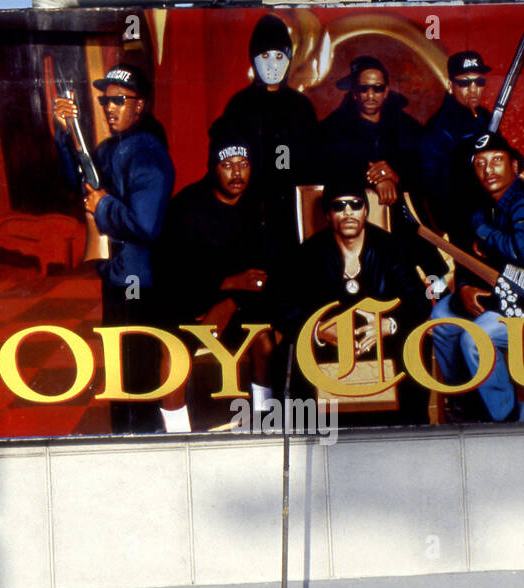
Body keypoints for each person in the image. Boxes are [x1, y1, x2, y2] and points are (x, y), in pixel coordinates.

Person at [54, 64, 175, 434]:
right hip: (117, 277)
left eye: (120, 100)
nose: (110, 107)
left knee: (137, 378)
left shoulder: (148, 152)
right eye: (106, 100)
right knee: (119, 374)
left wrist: (103, 205)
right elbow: (76, 180)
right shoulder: (110, 147)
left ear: (141, 106)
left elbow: (145, 225)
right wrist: (66, 138)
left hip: (143, 282)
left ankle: (144, 451)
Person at [429, 133, 524, 422]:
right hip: (502, 284)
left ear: (515, 166)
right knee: (442, 318)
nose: (488, 170)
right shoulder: (484, 204)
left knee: (475, 337)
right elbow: (471, 258)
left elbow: (522, 256)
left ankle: (508, 415)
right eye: (480, 163)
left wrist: (483, 231)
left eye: (497, 160)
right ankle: (467, 399)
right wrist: (467, 287)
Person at [273, 171, 431, 424]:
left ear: (365, 211)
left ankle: (408, 433)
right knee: (289, 352)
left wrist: (387, 325)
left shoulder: (390, 249)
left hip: (383, 342)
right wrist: (318, 331)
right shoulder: (307, 255)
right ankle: (315, 439)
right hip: (325, 348)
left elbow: (419, 303)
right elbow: (284, 309)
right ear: (327, 214)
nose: (348, 212)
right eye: (339, 206)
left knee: (416, 343)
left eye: (355, 205)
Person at [153, 128, 275, 430]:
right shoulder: (187, 206)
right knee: (174, 354)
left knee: (267, 343)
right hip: (190, 301)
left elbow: (265, 272)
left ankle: (265, 420)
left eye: (243, 164)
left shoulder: (260, 205)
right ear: (213, 167)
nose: (237, 173)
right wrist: (225, 284)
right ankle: (176, 435)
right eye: (227, 165)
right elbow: (170, 272)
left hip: (243, 304)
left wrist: (231, 301)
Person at [212, 13, 319, 258]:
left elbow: (314, 160)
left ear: (289, 60)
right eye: (265, 56)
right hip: (249, 208)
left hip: (294, 208)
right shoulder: (239, 105)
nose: (272, 65)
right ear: (253, 60)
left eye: (280, 56)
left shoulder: (301, 106)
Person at [316, 55, 424, 207]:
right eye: (363, 89)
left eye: (378, 88)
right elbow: (325, 170)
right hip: (351, 212)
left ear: (386, 91)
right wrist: (374, 179)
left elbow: (424, 170)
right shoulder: (330, 129)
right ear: (354, 93)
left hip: (401, 213)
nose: (371, 95)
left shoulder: (408, 127)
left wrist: (395, 176)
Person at [421, 50, 494, 248]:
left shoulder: (486, 117)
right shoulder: (438, 130)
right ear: (450, 85)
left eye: (479, 82)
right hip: (462, 229)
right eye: (464, 83)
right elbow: (438, 193)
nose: (473, 89)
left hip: (491, 218)